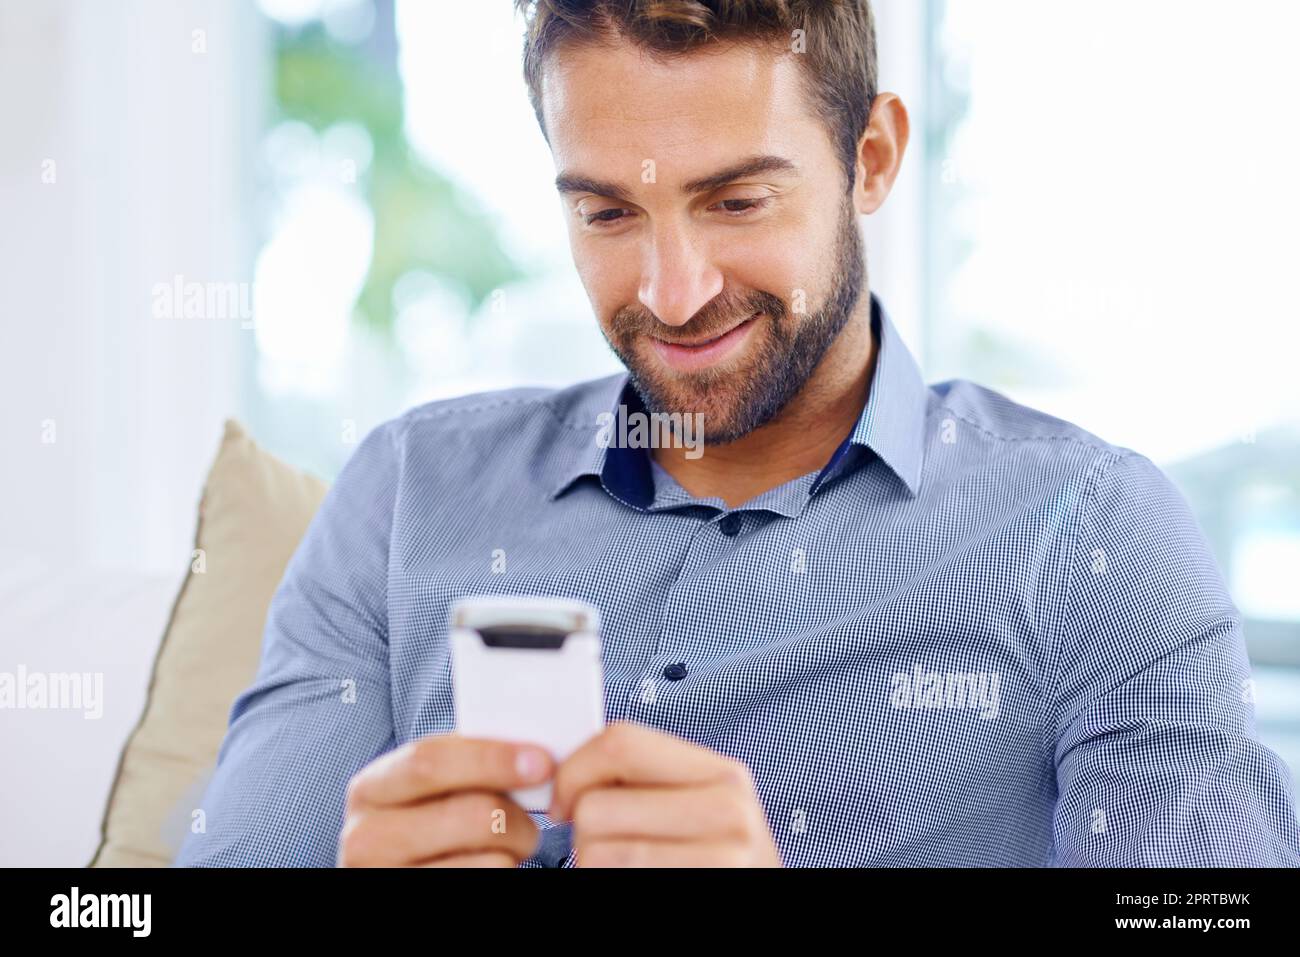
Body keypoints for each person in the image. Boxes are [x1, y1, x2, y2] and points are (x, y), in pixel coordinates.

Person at [177, 0, 1300, 868]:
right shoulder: (405, 492)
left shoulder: (1090, 533)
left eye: (736, 202)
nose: (671, 293)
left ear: (870, 158)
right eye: (608, 212)